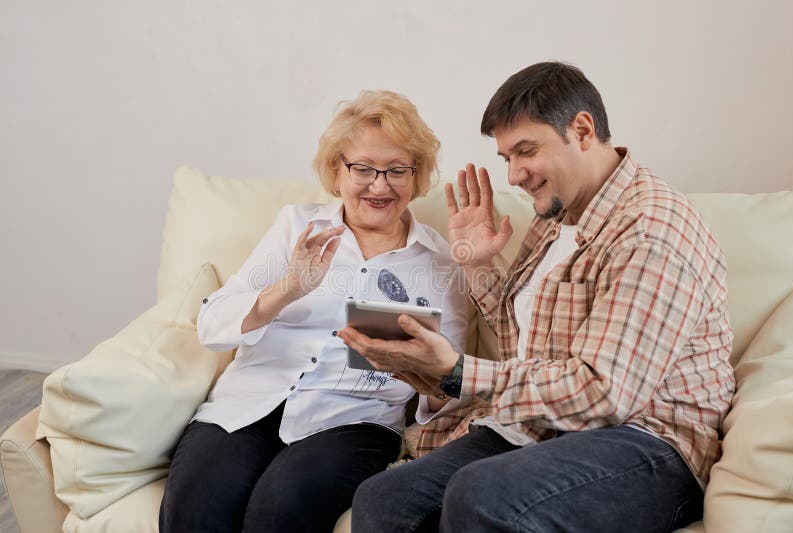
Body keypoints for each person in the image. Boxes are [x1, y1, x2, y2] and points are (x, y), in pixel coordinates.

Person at [342, 62, 735, 532]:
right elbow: (523, 343)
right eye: (506, 156)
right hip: (545, 426)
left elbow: (602, 392)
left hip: (647, 442)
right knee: (384, 498)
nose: (514, 174)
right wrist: (476, 263)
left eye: (526, 151)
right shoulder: (556, 216)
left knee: (481, 496)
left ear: (583, 130)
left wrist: (458, 372)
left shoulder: (651, 230)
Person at [158, 90, 468, 533]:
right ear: (337, 170)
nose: (379, 186)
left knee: (278, 512)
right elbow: (213, 323)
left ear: (416, 178)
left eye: (397, 170)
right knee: (197, 514)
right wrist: (288, 289)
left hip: (352, 420)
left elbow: (448, 388)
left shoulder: (440, 262)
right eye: (363, 169)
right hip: (248, 403)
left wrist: (424, 370)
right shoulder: (294, 227)